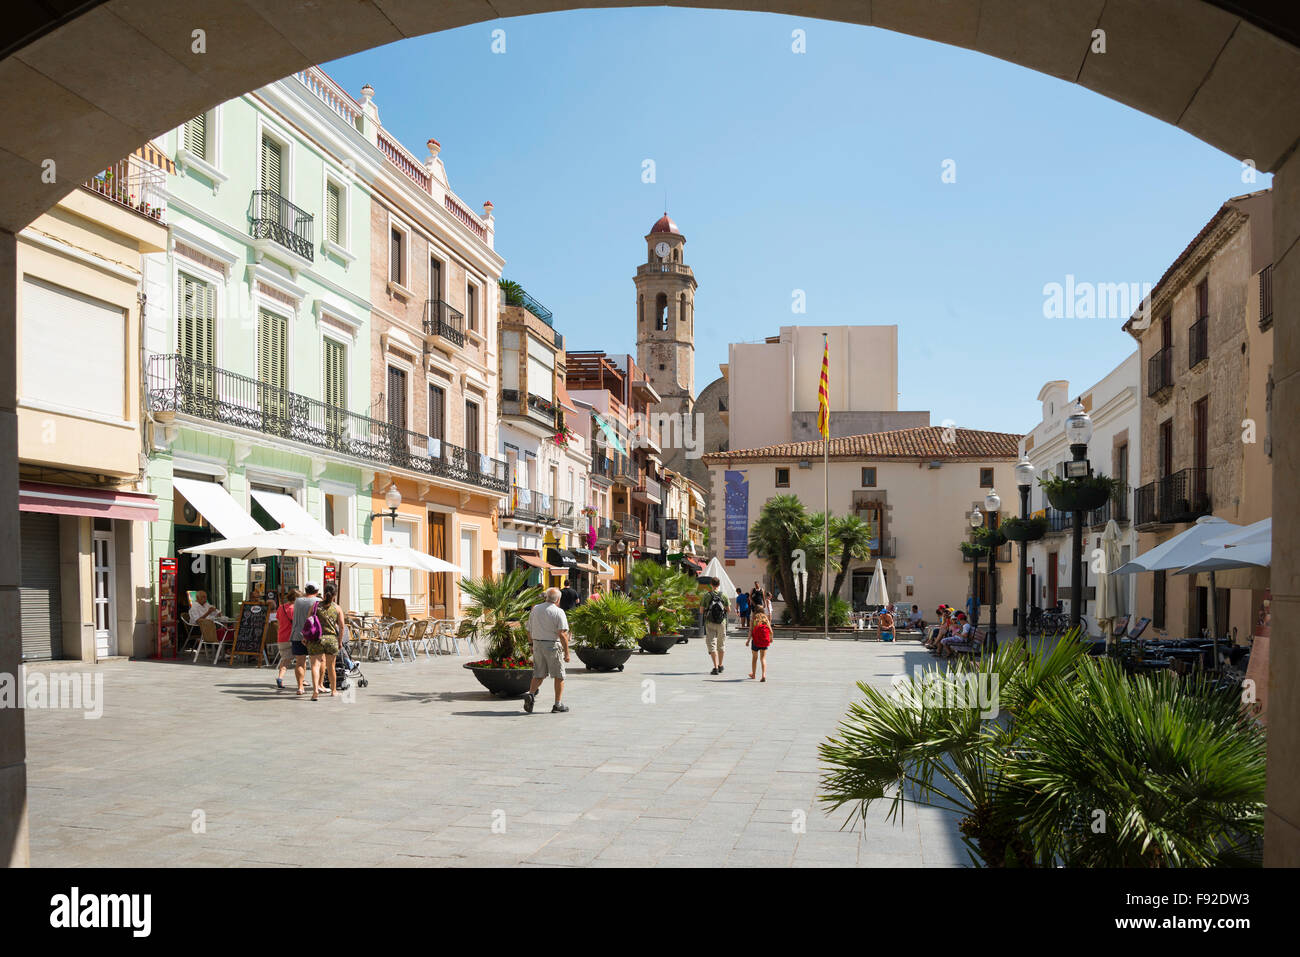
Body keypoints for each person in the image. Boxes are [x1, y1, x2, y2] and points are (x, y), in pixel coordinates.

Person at [524, 587, 571, 714]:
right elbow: (562, 634)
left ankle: (531, 694)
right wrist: (567, 653)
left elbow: (528, 630)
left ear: (546, 597)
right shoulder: (558, 612)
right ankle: (557, 704)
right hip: (552, 645)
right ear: (558, 599)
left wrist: (531, 645)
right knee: (559, 675)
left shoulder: (535, 609)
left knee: (539, 674)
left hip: (537, 644)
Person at [308, 585, 343, 701]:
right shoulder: (337, 608)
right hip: (331, 639)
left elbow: (308, 621)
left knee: (315, 665)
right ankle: (333, 690)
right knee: (331, 666)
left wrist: (305, 637)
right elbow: (342, 627)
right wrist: (340, 641)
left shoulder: (316, 606)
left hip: (316, 639)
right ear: (335, 595)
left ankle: (315, 691)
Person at [290, 583, 321, 697]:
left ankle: (300, 687)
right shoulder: (318, 600)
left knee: (299, 662)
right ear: (317, 590)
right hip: (312, 634)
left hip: (297, 634)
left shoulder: (298, 601)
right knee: (317, 662)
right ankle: (319, 686)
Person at [274, 586, 302, 691]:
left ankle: (280, 677)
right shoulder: (295, 609)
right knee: (300, 660)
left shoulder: (280, 608)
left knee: (285, 660)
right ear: (296, 599)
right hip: (294, 637)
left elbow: (278, 622)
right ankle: (301, 680)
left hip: (282, 637)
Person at [703, 580, 730, 675]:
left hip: (709, 622)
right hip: (721, 622)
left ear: (711, 584)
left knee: (711, 644)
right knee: (721, 644)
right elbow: (728, 609)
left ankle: (715, 667)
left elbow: (701, 610)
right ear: (719, 584)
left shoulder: (707, 595)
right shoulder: (724, 595)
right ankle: (720, 665)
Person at [748, 610, 772, 681]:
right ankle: (763, 675)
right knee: (763, 659)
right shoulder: (765, 619)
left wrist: (748, 640)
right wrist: (771, 638)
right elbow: (771, 631)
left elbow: (750, 631)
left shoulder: (754, 619)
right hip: (764, 642)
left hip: (755, 641)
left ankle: (753, 674)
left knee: (754, 658)